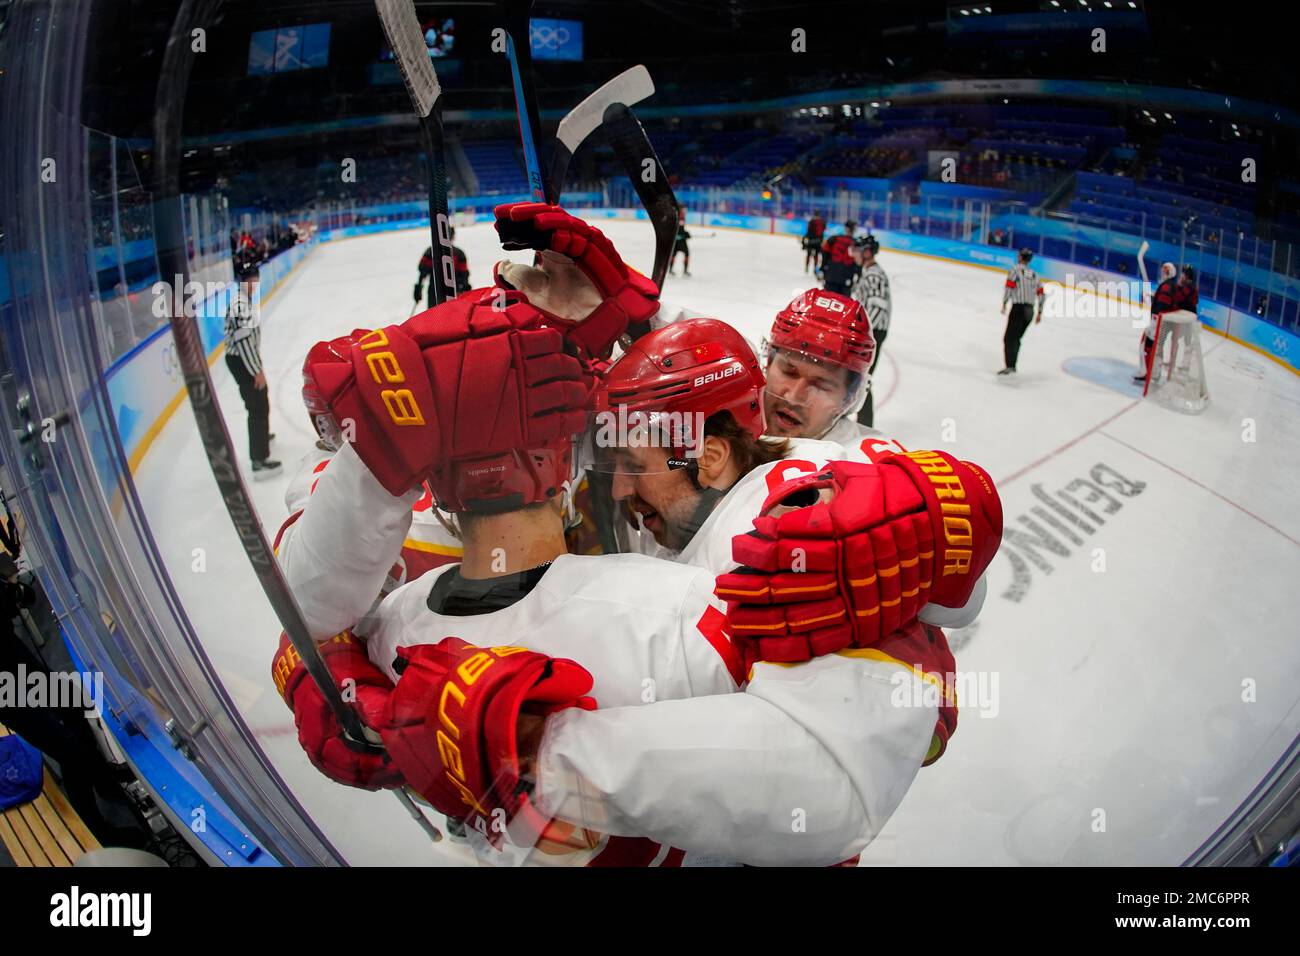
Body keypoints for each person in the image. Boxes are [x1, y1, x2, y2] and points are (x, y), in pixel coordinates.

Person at [224, 254, 279, 477]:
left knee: (259, 402)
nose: (257, 283)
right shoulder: (241, 306)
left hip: (243, 358)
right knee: (257, 405)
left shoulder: (243, 300)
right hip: (242, 361)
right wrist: (257, 371)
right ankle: (259, 457)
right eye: (254, 279)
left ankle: (262, 436)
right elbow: (244, 342)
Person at [849, 233, 891, 426]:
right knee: (859, 378)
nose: (854, 253)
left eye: (858, 249)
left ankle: (865, 424)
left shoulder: (874, 274)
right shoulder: (869, 271)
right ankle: (862, 421)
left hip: (874, 333)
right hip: (871, 332)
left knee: (862, 379)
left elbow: (877, 307)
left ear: (867, 252)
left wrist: (866, 335)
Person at [998, 247, 1044, 376]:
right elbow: (1041, 293)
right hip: (1030, 311)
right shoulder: (1035, 274)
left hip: (1018, 308)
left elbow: (1010, 286)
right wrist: (1039, 311)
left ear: (1019, 257)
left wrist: (1004, 302)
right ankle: (1013, 365)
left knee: (1009, 338)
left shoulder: (1015, 269)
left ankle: (1010, 366)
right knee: (1017, 338)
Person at [1134, 261, 1178, 383]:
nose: (1162, 274)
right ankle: (1154, 373)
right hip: (1165, 324)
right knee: (1157, 348)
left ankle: (1145, 372)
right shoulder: (1171, 286)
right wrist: (1152, 298)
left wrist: (1154, 314)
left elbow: (1162, 306)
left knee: (1145, 345)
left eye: (1165, 272)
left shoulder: (1166, 287)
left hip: (1158, 323)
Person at [414, 226, 471, 309]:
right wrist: (465, 290)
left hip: (435, 292)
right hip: (454, 291)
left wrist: (418, 288)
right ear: (452, 236)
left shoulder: (430, 252)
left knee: (435, 318)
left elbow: (423, 272)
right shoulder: (459, 253)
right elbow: (464, 275)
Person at [820, 220, 858, 295]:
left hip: (831, 275)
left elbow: (824, 252)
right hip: (847, 277)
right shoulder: (856, 243)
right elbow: (858, 263)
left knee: (828, 299)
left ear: (845, 228)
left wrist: (823, 268)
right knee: (844, 303)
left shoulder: (833, 239)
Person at [668, 210, 691, 277]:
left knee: (683, 255)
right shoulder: (678, 217)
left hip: (678, 242)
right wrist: (685, 234)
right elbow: (678, 229)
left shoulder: (678, 217)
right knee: (676, 255)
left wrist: (685, 234)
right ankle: (682, 270)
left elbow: (680, 229)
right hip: (679, 242)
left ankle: (672, 270)